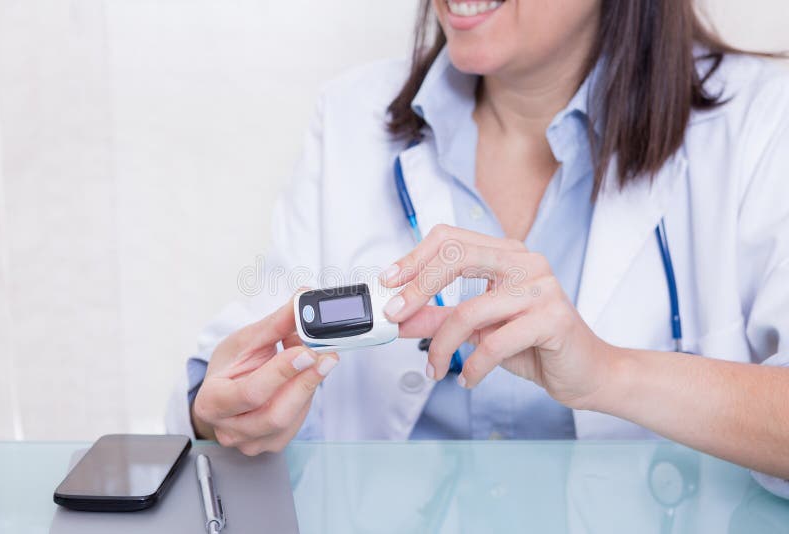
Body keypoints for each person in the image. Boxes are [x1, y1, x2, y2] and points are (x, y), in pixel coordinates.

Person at [166, 0, 789, 496]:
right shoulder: (351, 116)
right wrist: (218, 414)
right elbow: (242, 356)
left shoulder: (763, 122)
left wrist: (608, 373)